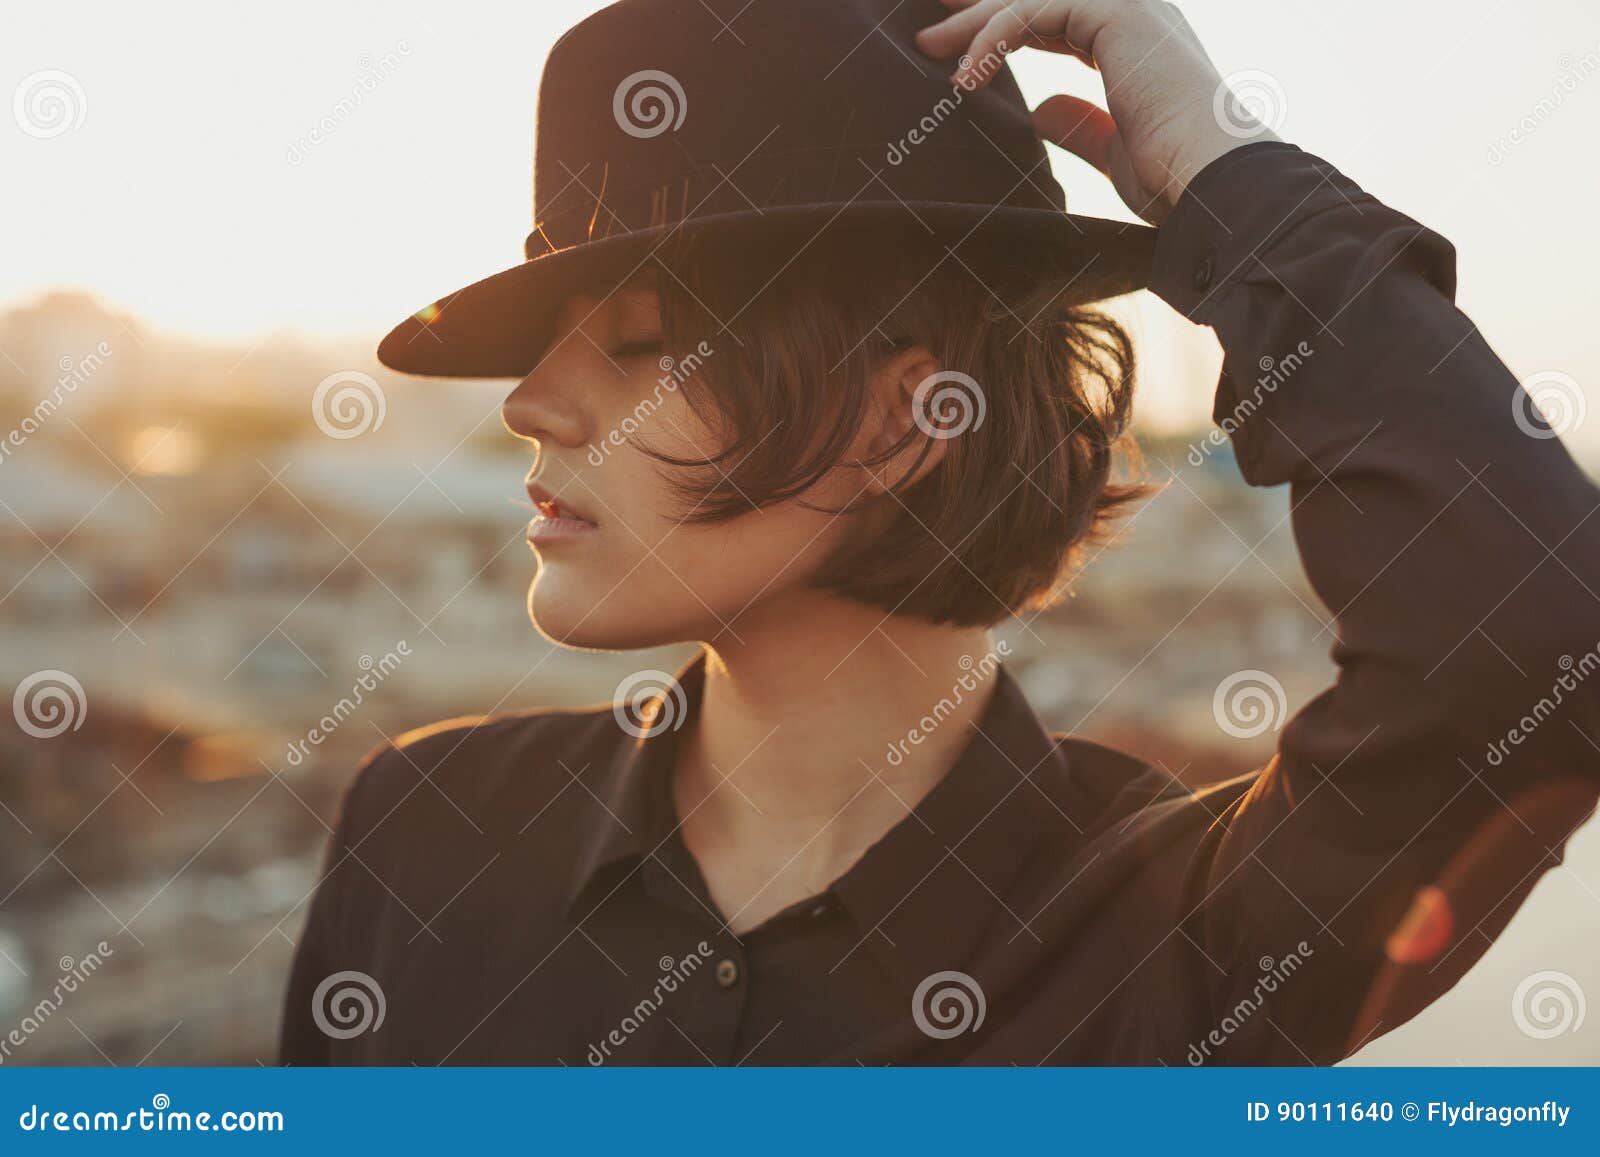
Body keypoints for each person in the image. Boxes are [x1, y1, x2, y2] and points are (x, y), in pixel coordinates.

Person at [280, 0, 1600, 1065]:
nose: (528, 401)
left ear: (911, 419)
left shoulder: (1178, 944)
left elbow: (1536, 634)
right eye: (547, 341)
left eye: (642, 342)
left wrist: (1221, 161)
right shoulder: (422, 836)